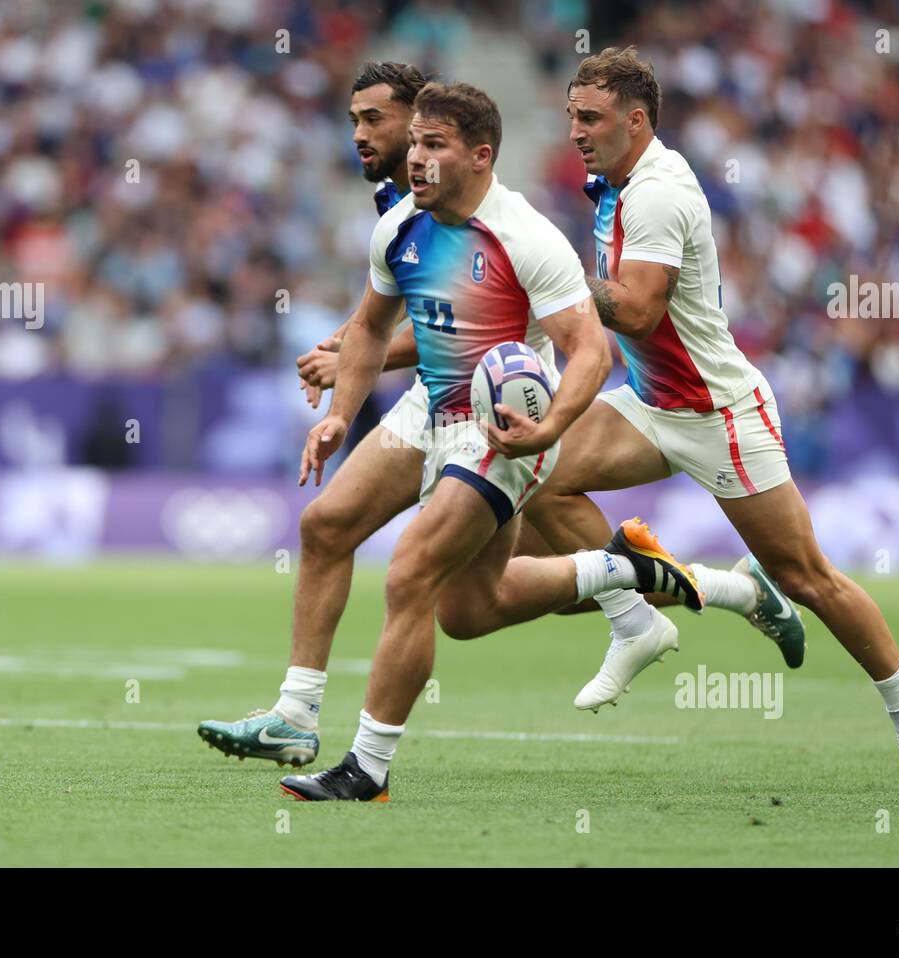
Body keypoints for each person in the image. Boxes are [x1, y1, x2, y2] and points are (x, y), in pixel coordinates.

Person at [439, 47, 899, 793]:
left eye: (591, 118)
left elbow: (640, 308)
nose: (575, 131)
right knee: (538, 474)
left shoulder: (656, 193)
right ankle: (634, 618)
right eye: (571, 116)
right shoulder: (611, 180)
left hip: (717, 412)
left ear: (636, 121)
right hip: (651, 403)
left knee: (807, 574)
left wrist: (558, 284)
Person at [278, 82, 693, 801]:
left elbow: (590, 352)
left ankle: (365, 768)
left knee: (409, 573)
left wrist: (550, 430)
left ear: (480, 155)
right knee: (464, 609)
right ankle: (625, 571)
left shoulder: (527, 239)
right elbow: (371, 329)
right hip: (429, 419)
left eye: (434, 145)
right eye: (416, 144)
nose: (417, 158)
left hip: (503, 434)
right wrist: (342, 415)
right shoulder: (400, 227)